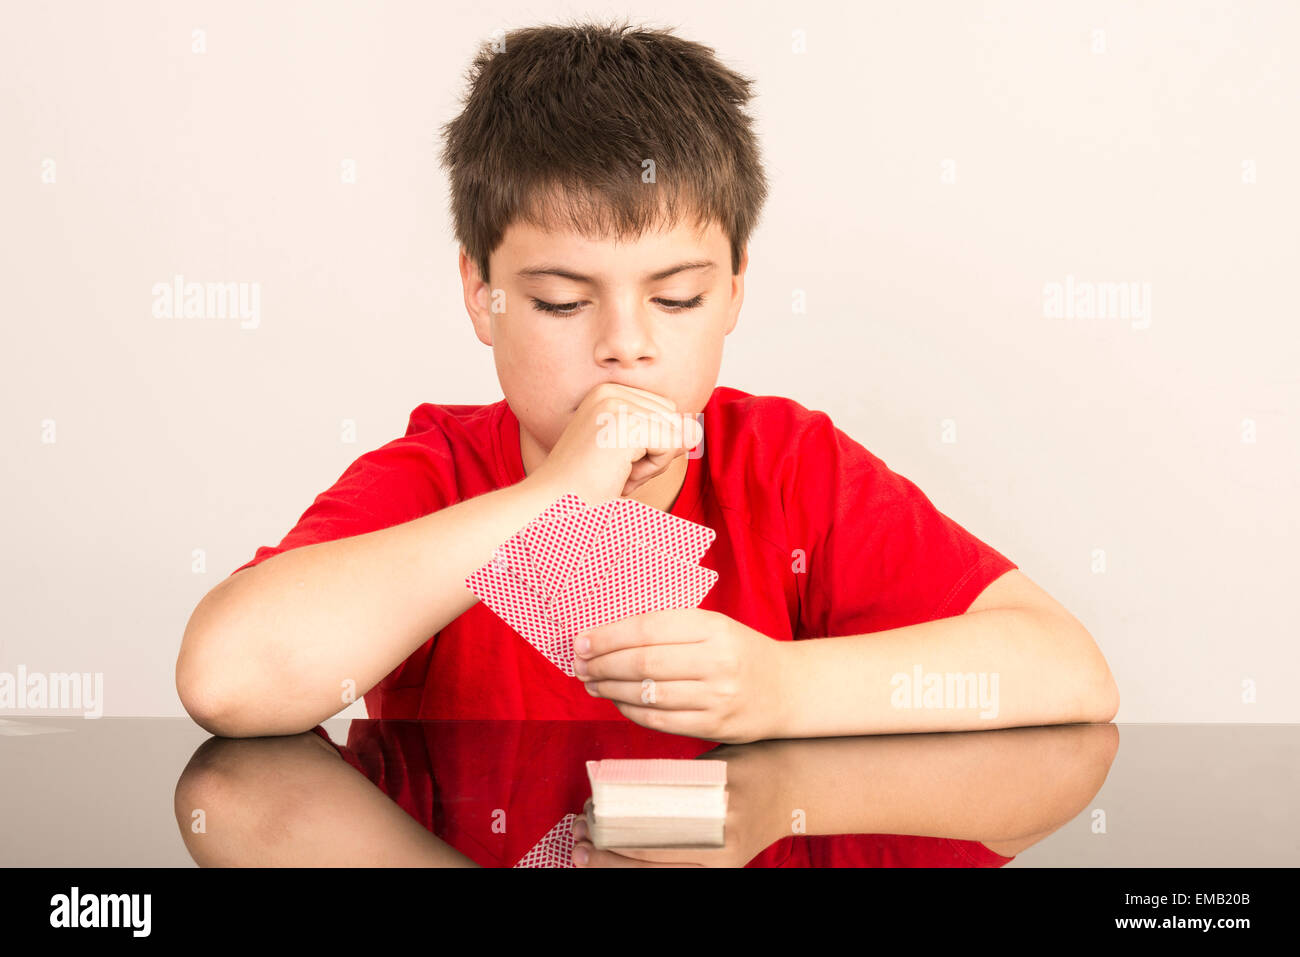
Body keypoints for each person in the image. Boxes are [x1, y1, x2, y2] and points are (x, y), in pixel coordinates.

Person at [176, 19, 1118, 742]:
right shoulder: (441, 475)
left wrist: (782, 689)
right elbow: (229, 676)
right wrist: (550, 499)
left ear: (735, 290)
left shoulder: (786, 466)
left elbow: (1067, 671)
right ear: (481, 295)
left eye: (675, 298)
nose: (624, 346)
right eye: (557, 303)